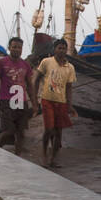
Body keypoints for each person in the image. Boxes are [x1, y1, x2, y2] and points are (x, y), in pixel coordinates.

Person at [0, 36, 36, 157]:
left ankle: (18, 156)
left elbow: (30, 85)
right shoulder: (1, 63)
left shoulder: (26, 65)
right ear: (9, 48)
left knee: (21, 132)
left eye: (19, 47)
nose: (16, 49)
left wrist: (34, 104)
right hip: (6, 100)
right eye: (14, 47)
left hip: (21, 101)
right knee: (9, 130)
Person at [33, 38, 76, 167]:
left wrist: (70, 105)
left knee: (58, 132)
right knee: (49, 129)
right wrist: (35, 98)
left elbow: (69, 87)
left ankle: (53, 158)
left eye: (64, 48)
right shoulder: (46, 62)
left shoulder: (70, 67)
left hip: (61, 102)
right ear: (54, 49)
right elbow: (36, 80)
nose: (62, 50)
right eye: (59, 48)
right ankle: (44, 155)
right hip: (47, 100)